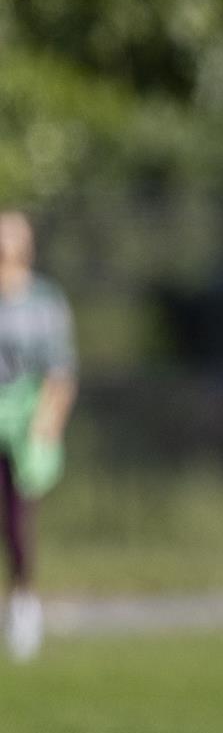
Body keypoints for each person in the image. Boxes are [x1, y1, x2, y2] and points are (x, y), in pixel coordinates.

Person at [0, 211, 77, 662]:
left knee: (17, 519)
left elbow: (61, 369)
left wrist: (48, 419)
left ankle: (23, 601)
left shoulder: (44, 299)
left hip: (27, 415)